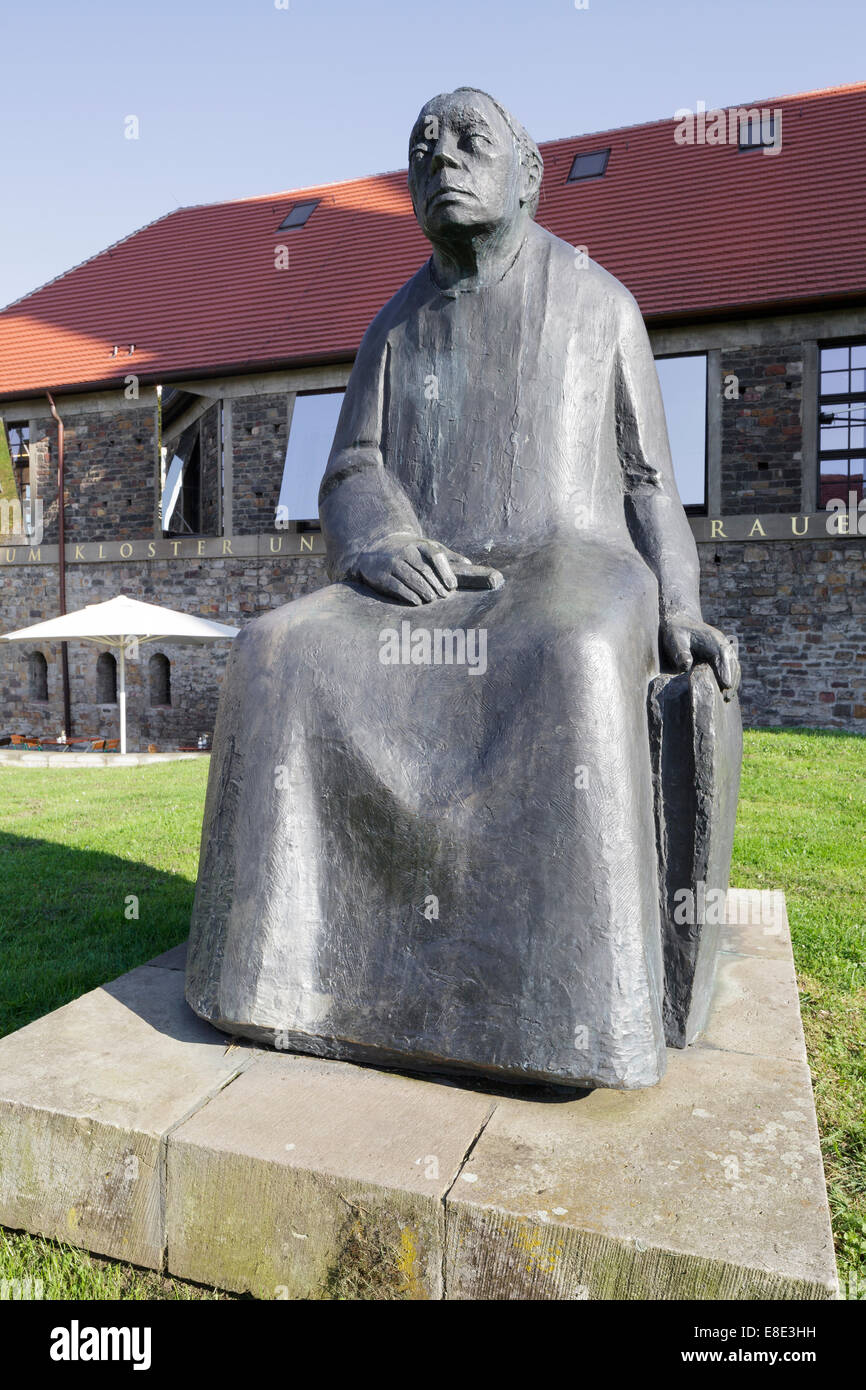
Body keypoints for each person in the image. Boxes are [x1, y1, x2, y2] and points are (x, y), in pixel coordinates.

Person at [186, 88, 740, 1089]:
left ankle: (566, 1017)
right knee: (276, 650)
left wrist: (677, 607)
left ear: (527, 173)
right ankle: (274, 980)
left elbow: (651, 486)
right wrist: (381, 537)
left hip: (576, 560)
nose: (441, 157)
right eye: (421, 147)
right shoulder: (392, 329)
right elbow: (351, 467)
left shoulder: (597, 302)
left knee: (562, 653)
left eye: (469, 139)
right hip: (425, 569)